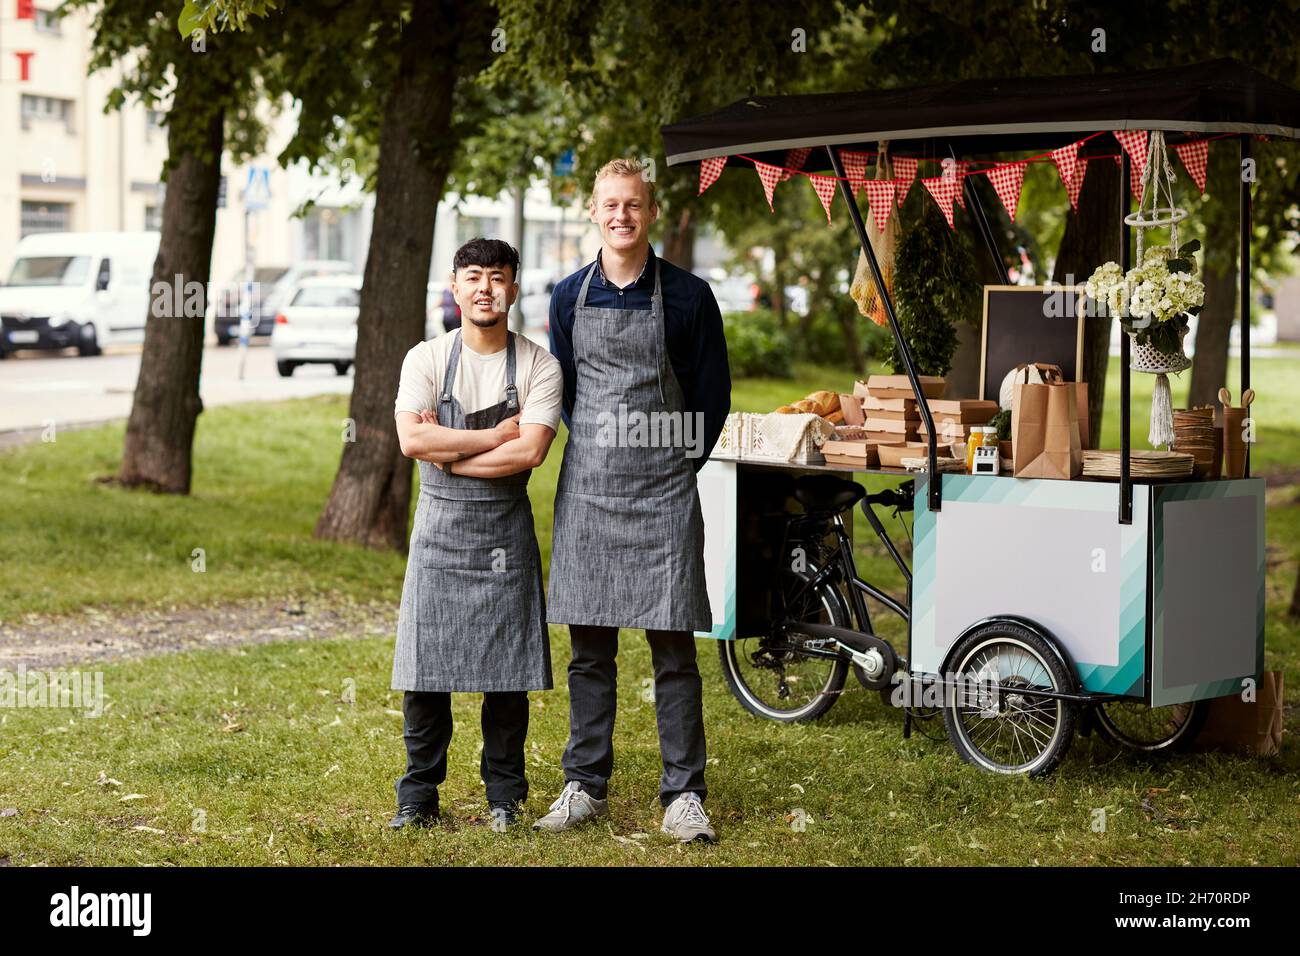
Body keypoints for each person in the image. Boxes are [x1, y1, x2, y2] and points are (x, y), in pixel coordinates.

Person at [536, 159, 730, 843]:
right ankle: (583, 785)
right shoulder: (566, 296)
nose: (622, 215)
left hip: (664, 494)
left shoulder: (688, 297)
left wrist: (673, 463)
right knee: (590, 651)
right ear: (594, 212)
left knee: (673, 651)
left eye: (634, 205)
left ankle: (684, 794)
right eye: (610, 205)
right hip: (589, 491)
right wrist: (602, 451)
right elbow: (567, 394)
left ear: (650, 212)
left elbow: (712, 399)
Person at [390, 238, 563, 832]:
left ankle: (505, 799)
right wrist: (493, 438)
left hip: (504, 536)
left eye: (497, 276)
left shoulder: (540, 365)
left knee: (507, 675)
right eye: (473, 276)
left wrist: (451, 453)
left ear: (513, 288)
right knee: (424, 672)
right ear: (455, 286)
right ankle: (417, 798)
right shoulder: (426, 358)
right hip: (438, 534)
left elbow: (532, 452)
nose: (485, 287)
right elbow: (412, 442)